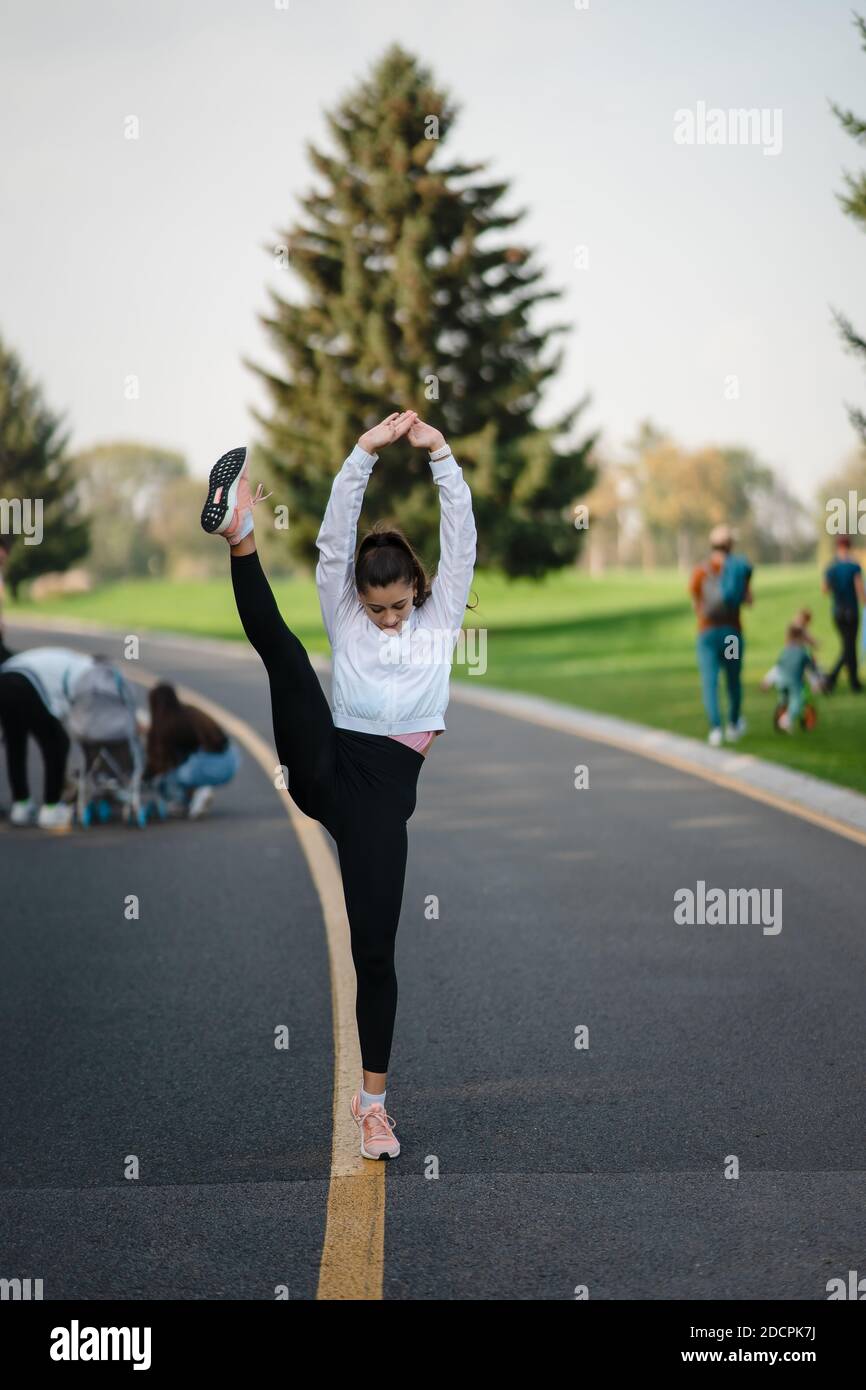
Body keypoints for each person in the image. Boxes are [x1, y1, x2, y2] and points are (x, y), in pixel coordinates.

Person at [200, 411, 477, 1161]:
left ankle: (374, 1107)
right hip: (329, 765)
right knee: (288, 657)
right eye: (375, 608)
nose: (386, 622)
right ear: (357, 597)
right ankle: (239, 534)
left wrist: (439, 456)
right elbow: (334, 538)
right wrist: (361, 453)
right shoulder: (346, 612)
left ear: (418, 590)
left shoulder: (440, 616)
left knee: (377, 954)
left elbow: (462, 539)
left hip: (383, 803)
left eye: (398, 607)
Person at [0, 645, 96, 829]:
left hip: (5, 678)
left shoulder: (72, 660)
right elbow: (69, 706)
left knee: (16, 744)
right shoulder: (85, 670)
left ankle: (21, 805)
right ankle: (51, 807)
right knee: (57, 742)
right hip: (28, 682)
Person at [689, 523, 753, 746]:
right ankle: (734, 725)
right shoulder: (737, 569)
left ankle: (716, 729)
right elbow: (749, 600)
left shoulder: (700, 571)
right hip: (731, 633)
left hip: (707, 633)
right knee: (733, 680)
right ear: (730, 545)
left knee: (710, 681)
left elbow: (696, 604)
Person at [143, 681, 241, 819]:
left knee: (168, 779)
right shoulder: (190, 712)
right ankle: (194, 797)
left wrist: (143, 778)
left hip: (207, 765)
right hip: (231, 758)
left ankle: (192, 796)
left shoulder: (166, 727)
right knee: (185, 766)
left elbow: (162, 763)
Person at [822, 534, 864, 693]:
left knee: (849, 646)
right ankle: (831, 679)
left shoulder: (832, 567)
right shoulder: (854, 566)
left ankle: (854, 682)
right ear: (850, 547)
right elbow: (860, 591)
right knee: (849, 647)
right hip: (852, 611)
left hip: (838, 612)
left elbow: (825, 589)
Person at [761, 623, 820, 732]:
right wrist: (815, 683)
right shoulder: (803, 653)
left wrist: (767, 680)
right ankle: (786, 719)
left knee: (784, 701)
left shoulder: (785, 651)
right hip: (794, 681)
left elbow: (778, 667)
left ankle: (783, 720)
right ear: (801, 638)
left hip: (781, 681)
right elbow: (810, 670)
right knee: (797, 702)